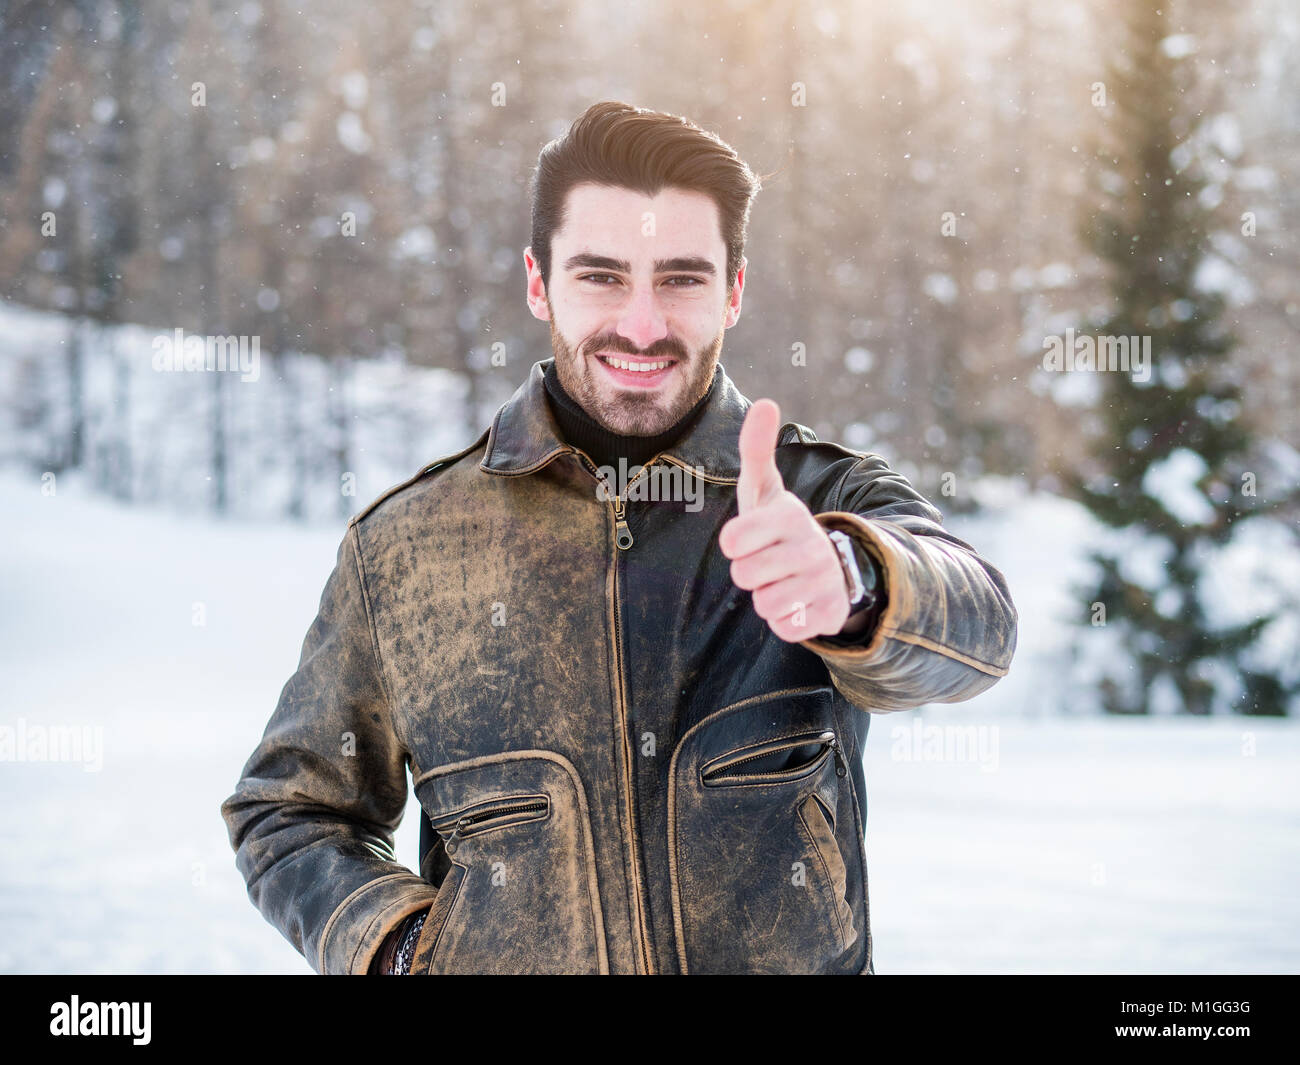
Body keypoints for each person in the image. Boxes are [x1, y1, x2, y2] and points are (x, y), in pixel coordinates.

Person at [220, 100, 1018, 975]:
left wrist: (854, 580)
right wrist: (404, 950)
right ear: (538, 283)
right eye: (601, 276)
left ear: (734, 291)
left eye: (681, 279)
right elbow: (288, 811)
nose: (642, 326)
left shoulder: (820, 498)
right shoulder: (404, 549)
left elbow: (979, 625)